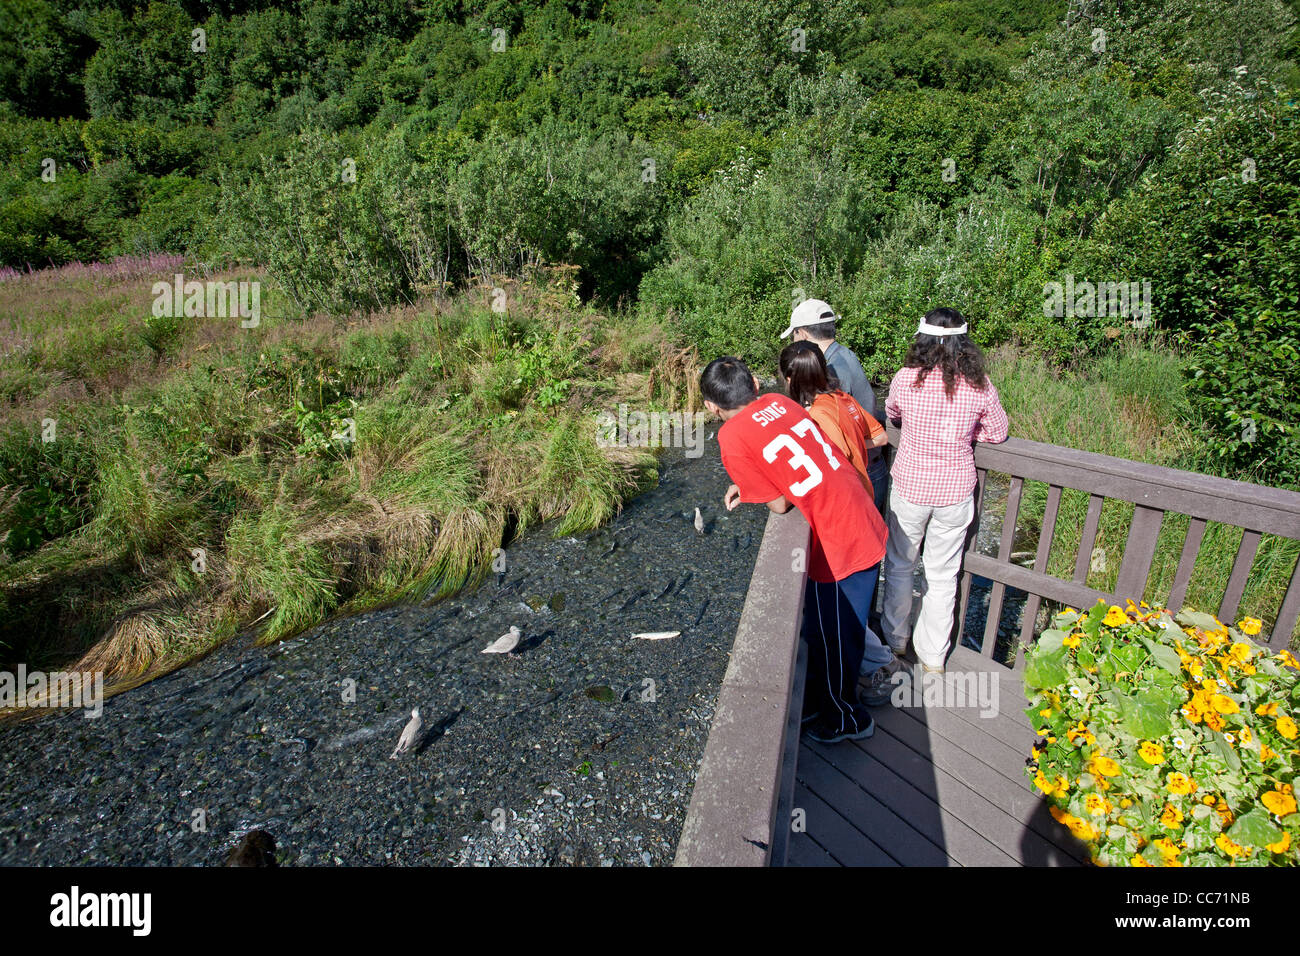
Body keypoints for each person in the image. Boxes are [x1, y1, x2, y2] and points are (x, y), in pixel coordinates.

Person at [701, 355, 887, 744]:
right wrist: (750, 483)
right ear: (754, 383)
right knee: (833, 631)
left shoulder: (730, 436)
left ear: (711, 406)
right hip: (860, 514)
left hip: (838, 543)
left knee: (836, 637)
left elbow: (780, 504)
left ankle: (846, 719)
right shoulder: (781, 403)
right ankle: (827, 702)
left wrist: (752, 486)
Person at [881, 308, 1009, 674]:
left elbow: (893, 413)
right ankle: (934, 656)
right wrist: (972, 436)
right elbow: (998, 432)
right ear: (963, 343)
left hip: (911, 487)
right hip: (954, 490)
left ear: (922, 338)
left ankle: (895, 640)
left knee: (901, 565)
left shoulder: (907, 378)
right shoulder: (979, 382)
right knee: (942, 575)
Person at [778, 340, 900, 706]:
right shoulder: (842, 398)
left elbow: (826, 469)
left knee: (839, 617)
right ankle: (882, 664)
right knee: (847, 611)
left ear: (790, 378)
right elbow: (878, 434)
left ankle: (869, 678)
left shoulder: (817, 416)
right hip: (866, 506)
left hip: (847, 524)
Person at [781, 298, 888, 518]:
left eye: (794, 335)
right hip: (871, 462)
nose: (793, 341)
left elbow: (837, 440)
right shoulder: (844, 355)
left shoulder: (832, 369)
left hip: (860, 471)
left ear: (802, 333)